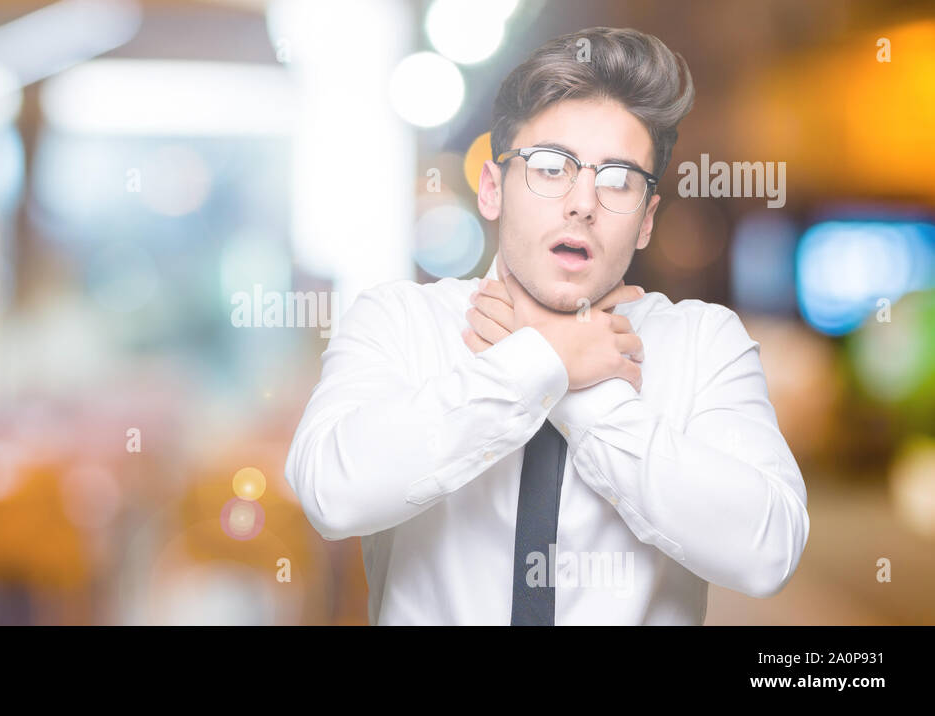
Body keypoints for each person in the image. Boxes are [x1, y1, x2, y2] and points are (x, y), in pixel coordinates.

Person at [283, 26, 809, 625]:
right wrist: (536, 364)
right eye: (552, 167)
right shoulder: (398, 322)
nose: (583, 202)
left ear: (645, 220)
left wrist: (585, 395)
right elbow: (329, 492)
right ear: (491, 190)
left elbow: (768, 549)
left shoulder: (703, 343)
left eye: (617, 179)